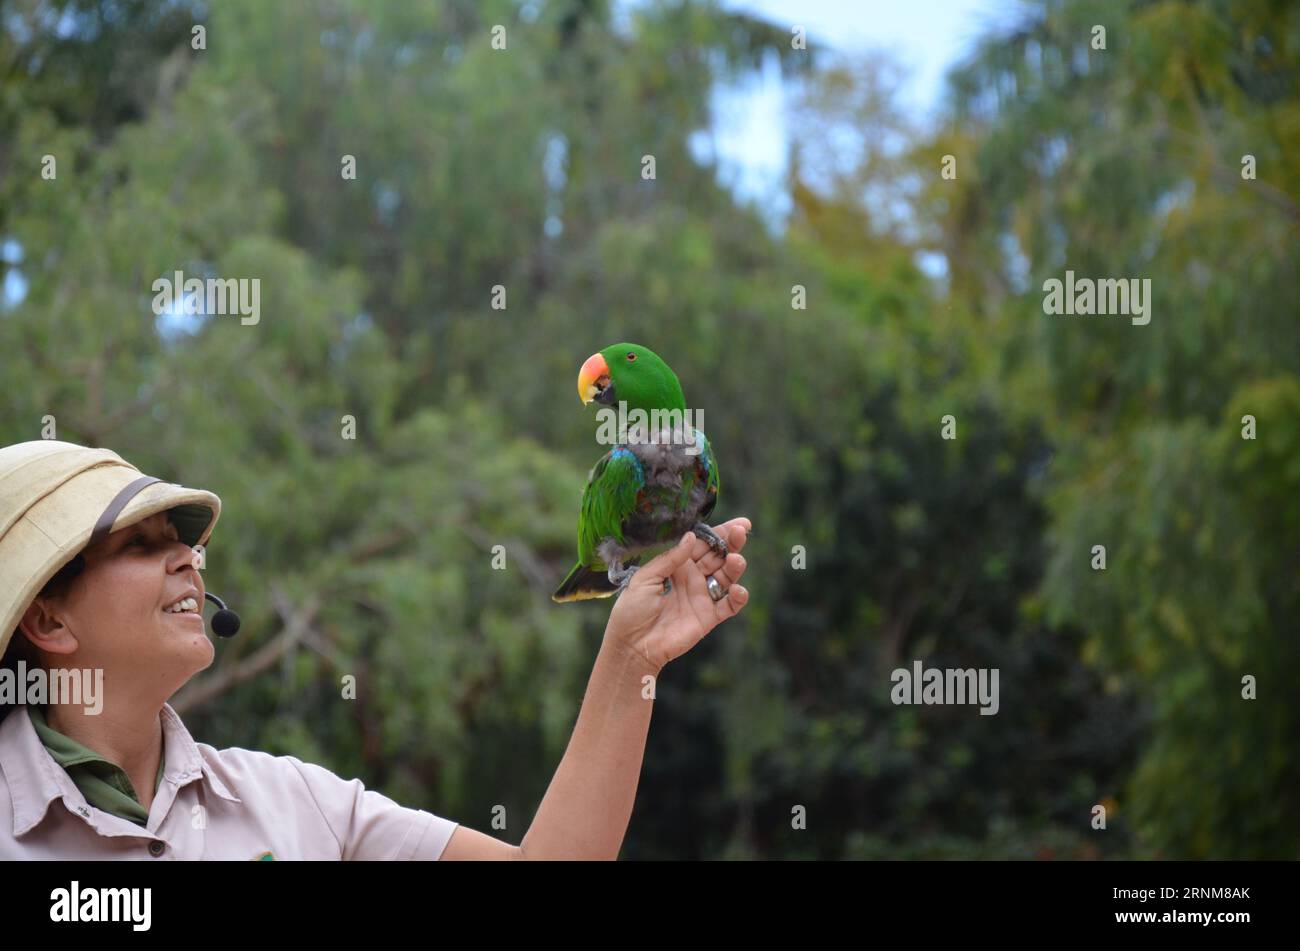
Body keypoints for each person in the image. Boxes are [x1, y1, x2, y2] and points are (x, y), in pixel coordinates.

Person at [0, 440, 750, 860]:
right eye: (141, 544)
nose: (190, 559)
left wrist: (631, 659)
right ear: (48, 619)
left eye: (185, 541)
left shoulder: (293, 804)